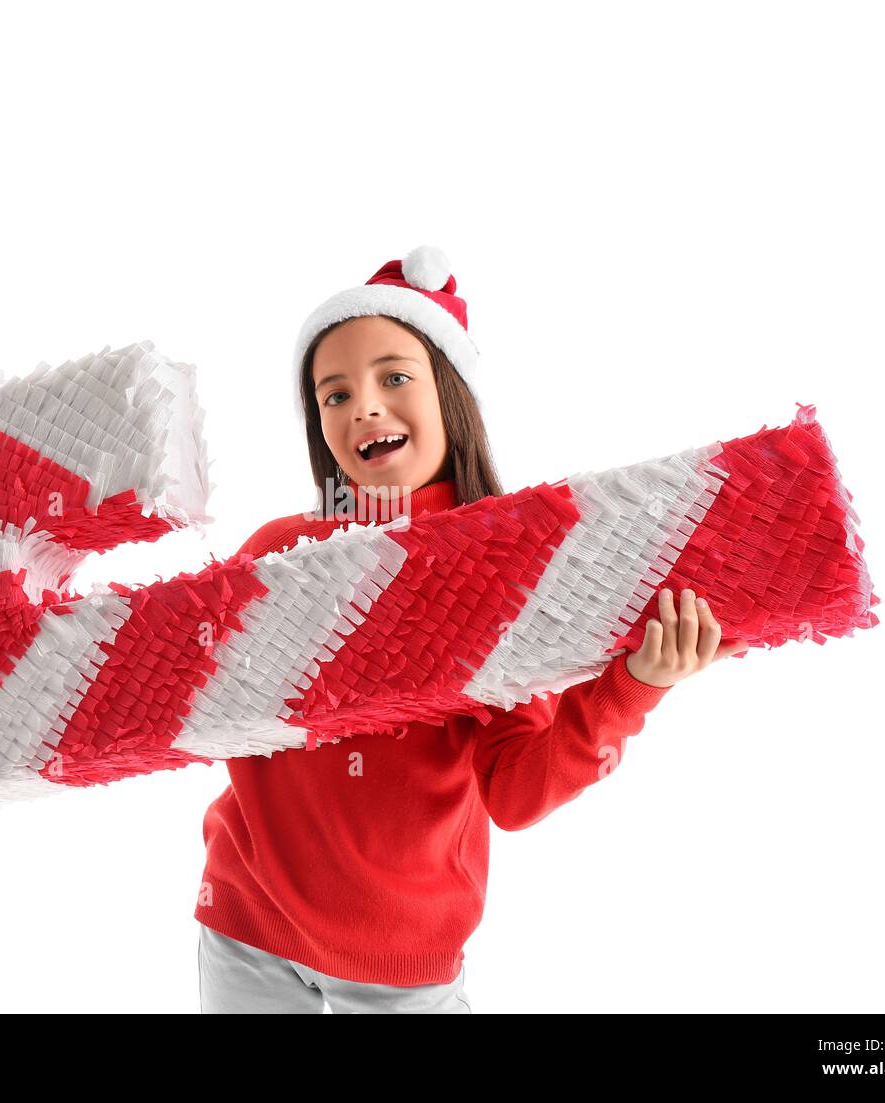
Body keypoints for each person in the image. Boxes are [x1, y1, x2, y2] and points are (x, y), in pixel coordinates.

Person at [194, 246, 750, 1013]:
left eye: (394, 377)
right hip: (246, 927)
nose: (363, 406)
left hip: (403, 965)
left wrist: (630, 691)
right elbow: (193, 693)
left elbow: (516, 792)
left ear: (449, 395)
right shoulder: (276, 552)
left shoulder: (500, 577)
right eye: (335, 393)